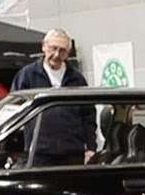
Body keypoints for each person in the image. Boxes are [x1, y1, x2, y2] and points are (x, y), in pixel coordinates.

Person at [10, 28, 96, 166]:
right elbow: (14, 111)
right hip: (39, 153)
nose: (56, 54)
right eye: (53, 48)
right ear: (43, 46)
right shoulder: (27, 76)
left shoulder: (77, 79)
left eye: (62, 50)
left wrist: (91, 147)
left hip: (72, 153)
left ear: (68, 53)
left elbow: (88, 115)